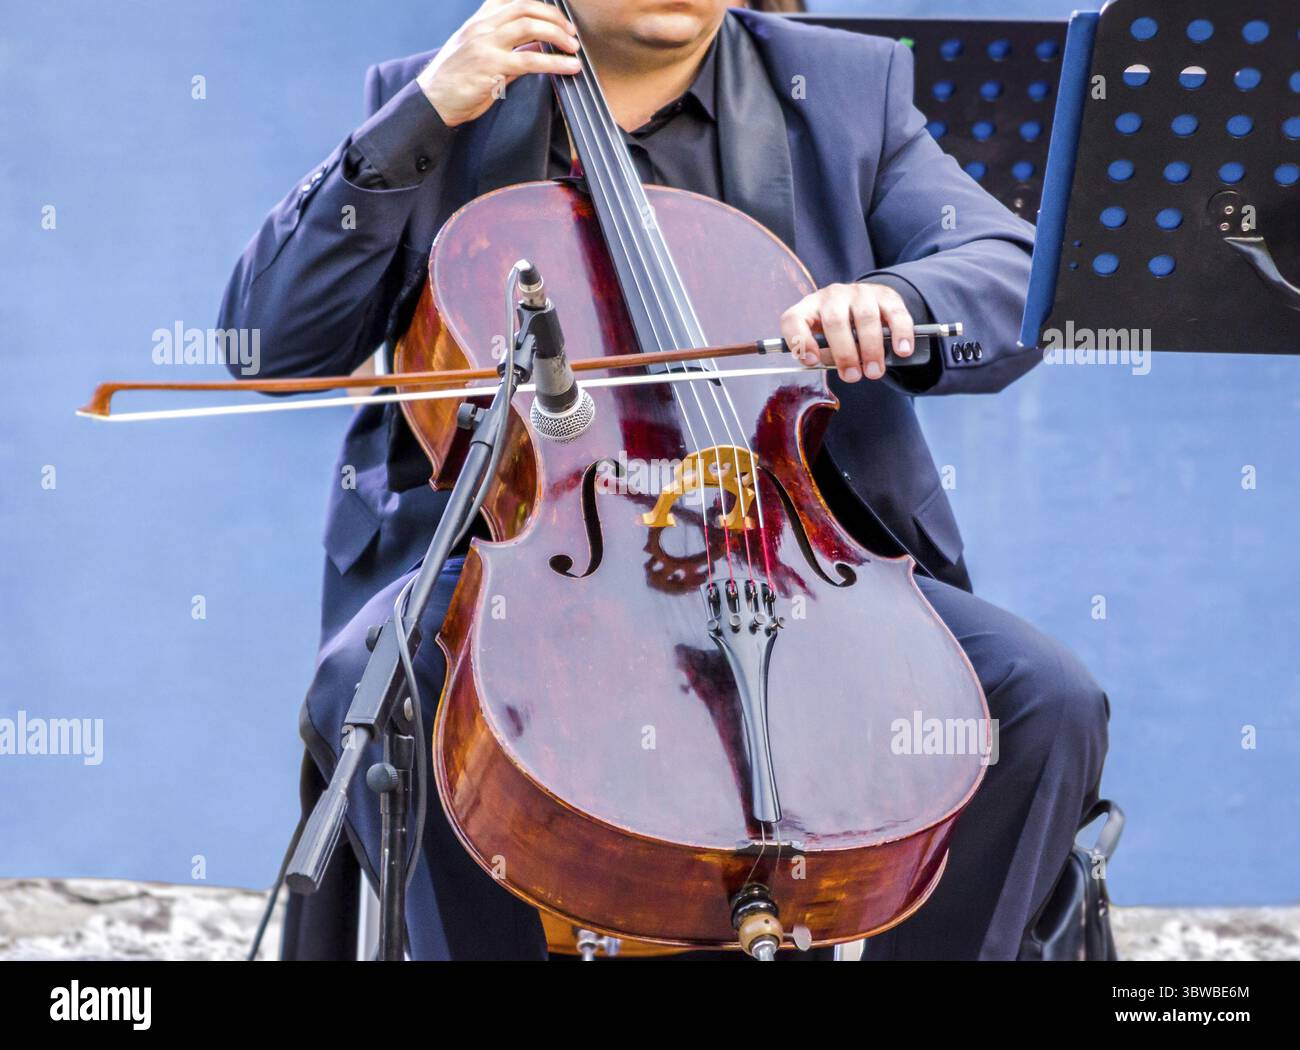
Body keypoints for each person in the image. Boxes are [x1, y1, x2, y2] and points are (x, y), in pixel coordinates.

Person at [219, 0, 1108, 960]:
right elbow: (268, 341)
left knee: (1041, 698)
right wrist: (418, 123)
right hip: (532, 557)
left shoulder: (845, 88)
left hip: (791, 555)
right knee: (386, 681)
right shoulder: (436, 98)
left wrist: (899, 296)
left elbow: (1009, 270)